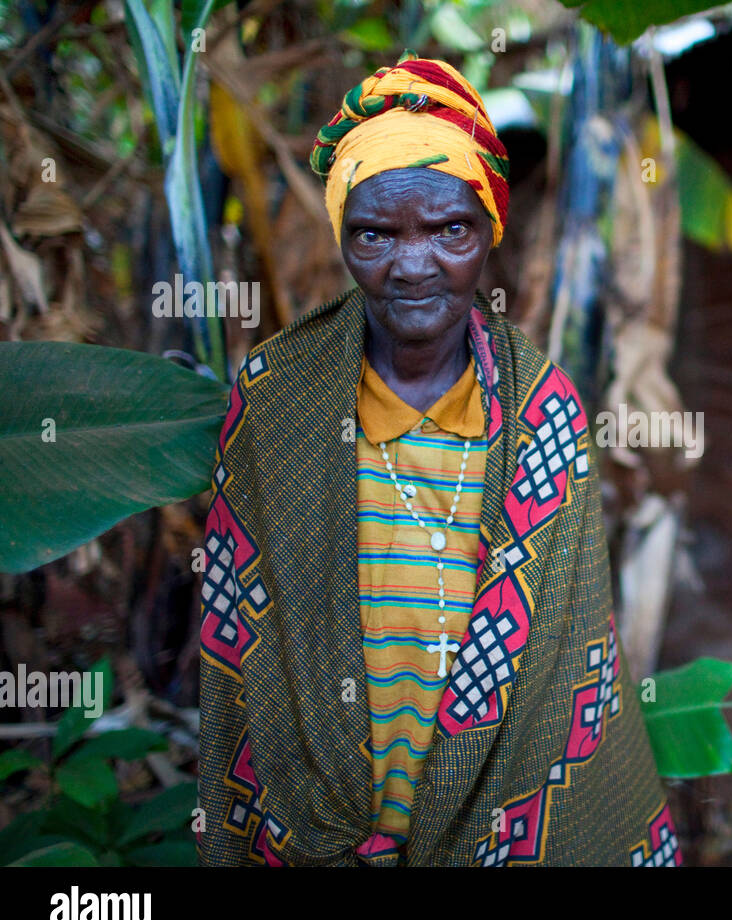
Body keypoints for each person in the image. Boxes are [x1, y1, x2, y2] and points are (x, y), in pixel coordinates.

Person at [196, 54, 681, 866]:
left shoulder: (545, 414)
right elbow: (239, 640)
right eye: (376, 234)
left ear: (490, 229)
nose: (414, 264)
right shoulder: (276, 399)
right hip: (311, 822)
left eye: (449, 229)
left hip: (493, 823)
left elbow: (567, 663)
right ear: (344, 240)